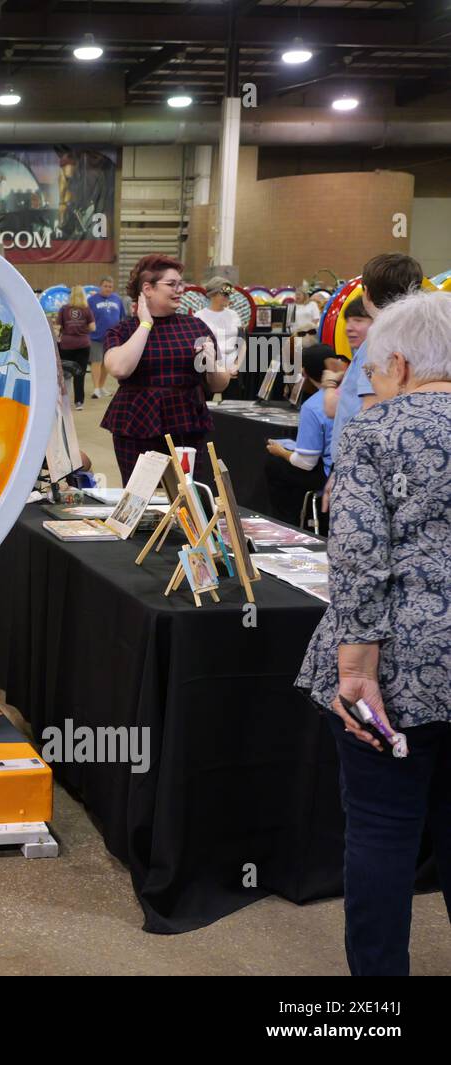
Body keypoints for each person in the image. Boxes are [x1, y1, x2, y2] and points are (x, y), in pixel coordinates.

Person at [296, 290, 451, 976]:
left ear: (399, 363)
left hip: (395, 669)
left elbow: (359, 557)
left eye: (374, 373)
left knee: (383, 833)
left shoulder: (377, 428)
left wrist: (355, 672)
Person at [101, 253, 231, 485]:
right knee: (140, 496)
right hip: (138, 423)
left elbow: (219, 384)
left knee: (191, 493)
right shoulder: (124, 330)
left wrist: (211, 364)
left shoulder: (195, 326)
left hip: (188, 422)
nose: (179, 289)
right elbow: (120, 368)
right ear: (148, 289)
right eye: (171, 284)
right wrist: (145, 324)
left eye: (181, 284)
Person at [323, 254, 423, 499]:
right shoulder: (418, 337)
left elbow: (371, 409)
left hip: (364, 465)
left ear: (366, 293)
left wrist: (346, 470)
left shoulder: (380, 341)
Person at [263, 344, 345, 524]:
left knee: (275, 464)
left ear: (305, 373)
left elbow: (306, 463)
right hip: (345, 467)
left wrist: (281, 452)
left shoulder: (313, 406)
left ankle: (285, 523)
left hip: (329, 474)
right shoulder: (351, 394)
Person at [195, 282, 242, 390]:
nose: (227, 297)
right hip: (209, 371)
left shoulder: (234, 315)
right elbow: (198, 346)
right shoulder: (199, 316)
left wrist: (237, 365)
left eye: (229, 294)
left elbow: (242, 343)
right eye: (224, 294)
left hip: (233, 371)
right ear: (212, 295)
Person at [87, 276, 126, 400]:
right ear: (100, 286)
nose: (108, 288)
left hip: (112, 337)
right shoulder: (92, 300)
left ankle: (102, 386)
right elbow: (87, 318)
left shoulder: (117, 299)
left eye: (110, 286)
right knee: (96, 362)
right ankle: (96, 388)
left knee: (106, 364)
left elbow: (122, 317)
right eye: (105, 286)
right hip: (96, 337)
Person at [56, 286, 95, 410]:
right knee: (80, 374)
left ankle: (64, 402)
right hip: (83, 345)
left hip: (67, 345)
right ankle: (79, 402)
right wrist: (82, 329)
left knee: (66, 374)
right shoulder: (86, 310)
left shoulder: (64, 309)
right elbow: (93, 327)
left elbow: (57, 327)